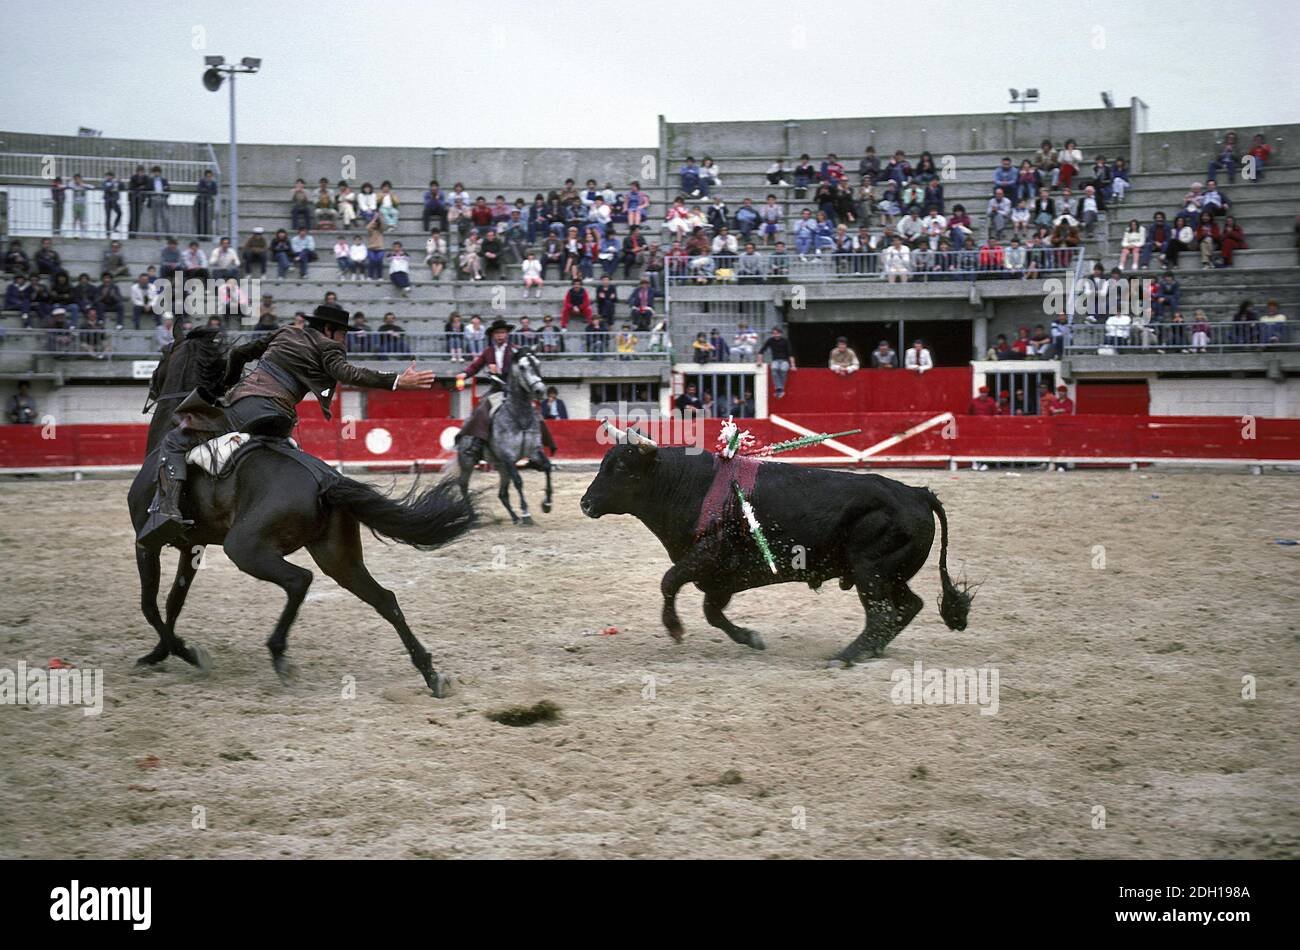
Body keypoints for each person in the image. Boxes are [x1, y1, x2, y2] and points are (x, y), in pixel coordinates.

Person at [140, 303, 435, 547]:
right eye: (343, 334)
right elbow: (347, 373)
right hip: (280, 421)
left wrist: (228, 383)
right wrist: (396, 380)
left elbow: (238, 354)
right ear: (330, 330)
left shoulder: (284, 332)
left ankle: (167, 511)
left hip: (247, 408)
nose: (344, 340)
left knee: (176, 440)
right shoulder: (330, 348)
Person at [757, 326, 794, 397]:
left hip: (785, 360)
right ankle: (779, 388)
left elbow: (790, 353)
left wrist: (792, 365)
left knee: (783, 369)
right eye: (774, 333)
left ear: (780, 334)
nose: (775, 335)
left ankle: (780, 388)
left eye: (777, 333)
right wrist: (759, 361)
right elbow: (761, 351)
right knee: (774, 368)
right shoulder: (770, 340)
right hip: (775, 360)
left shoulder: (785, 341)